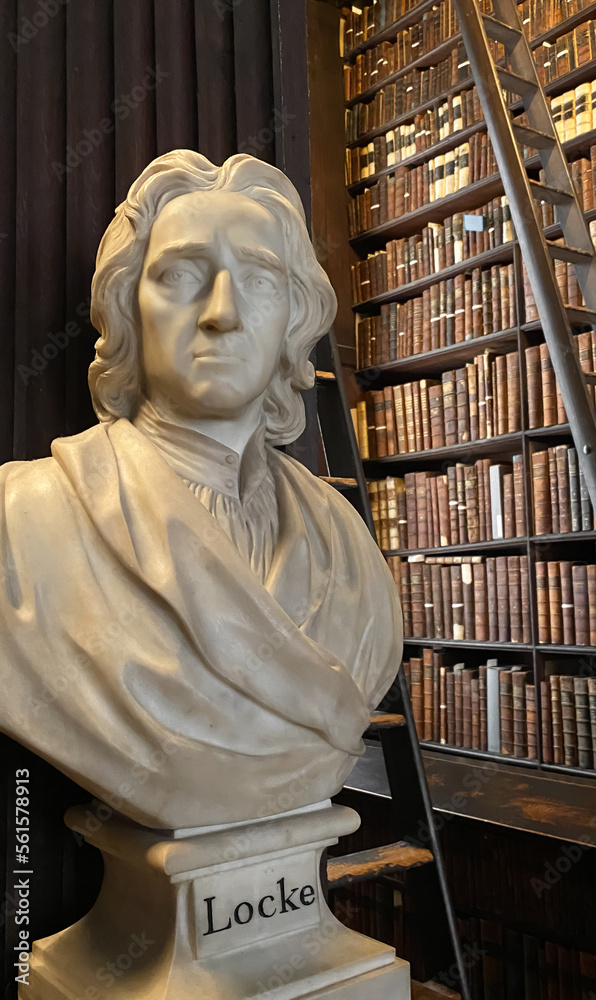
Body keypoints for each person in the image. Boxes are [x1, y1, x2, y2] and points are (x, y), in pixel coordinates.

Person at [0, 150, 403, 830]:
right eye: (182, 275)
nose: (223, 313)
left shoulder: (345, 542)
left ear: (291, 324)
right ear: (129, 309)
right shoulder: (23, 527)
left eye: (261, 279)